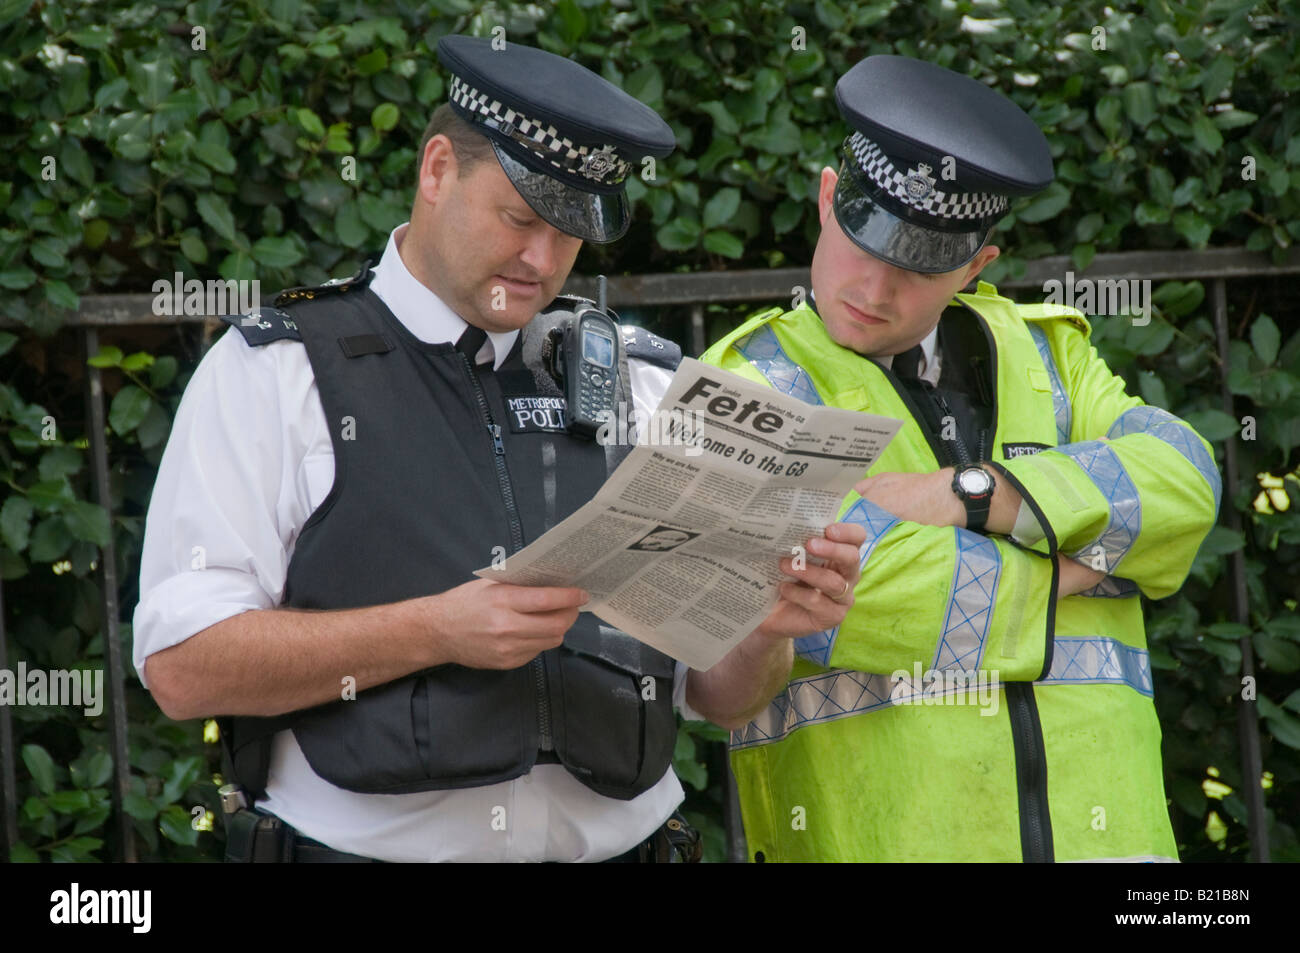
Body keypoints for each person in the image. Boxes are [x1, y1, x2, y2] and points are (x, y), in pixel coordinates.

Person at [133, 35, 866, 863]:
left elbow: (723, 700)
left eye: (568, 235)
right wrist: (438, 630)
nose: (542, 261)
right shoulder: (276, 372)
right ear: (437, 169)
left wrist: (764, 630)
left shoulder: (648, 384)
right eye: (519, 219)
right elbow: (183, 668)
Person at [700, 54, 1221, 862]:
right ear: (829, 196)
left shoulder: (1047, 353)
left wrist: (974, 493)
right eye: (861, 242)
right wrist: (1094, 559)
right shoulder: (751, 383)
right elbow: (857, 579)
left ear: (978, 266)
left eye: (919, 267)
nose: (873, 287)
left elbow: (1185, 481)